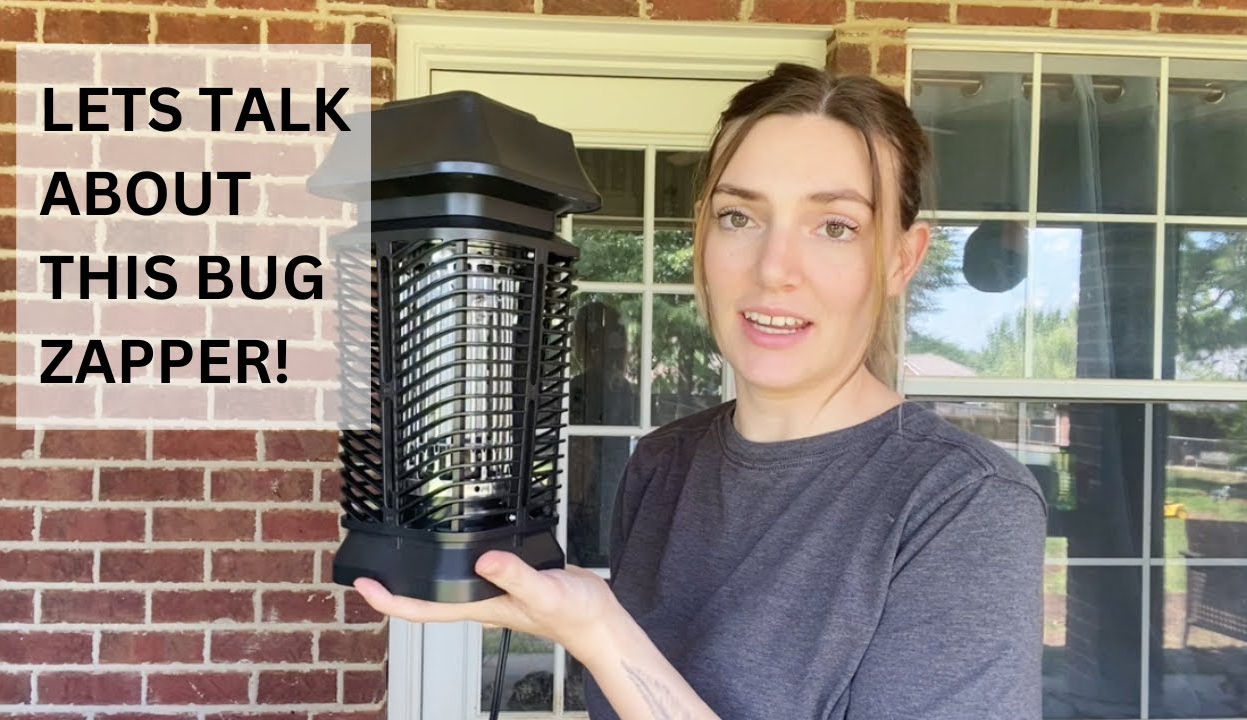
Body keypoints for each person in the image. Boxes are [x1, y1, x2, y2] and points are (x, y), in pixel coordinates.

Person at [353, 63, 1047, 720]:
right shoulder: (664, 465)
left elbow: (618, 655)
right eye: (738, 217)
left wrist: (599, 632)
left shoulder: (962, 502)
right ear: (700, 236)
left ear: (901, 259)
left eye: (835, 226)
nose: (773, 269)